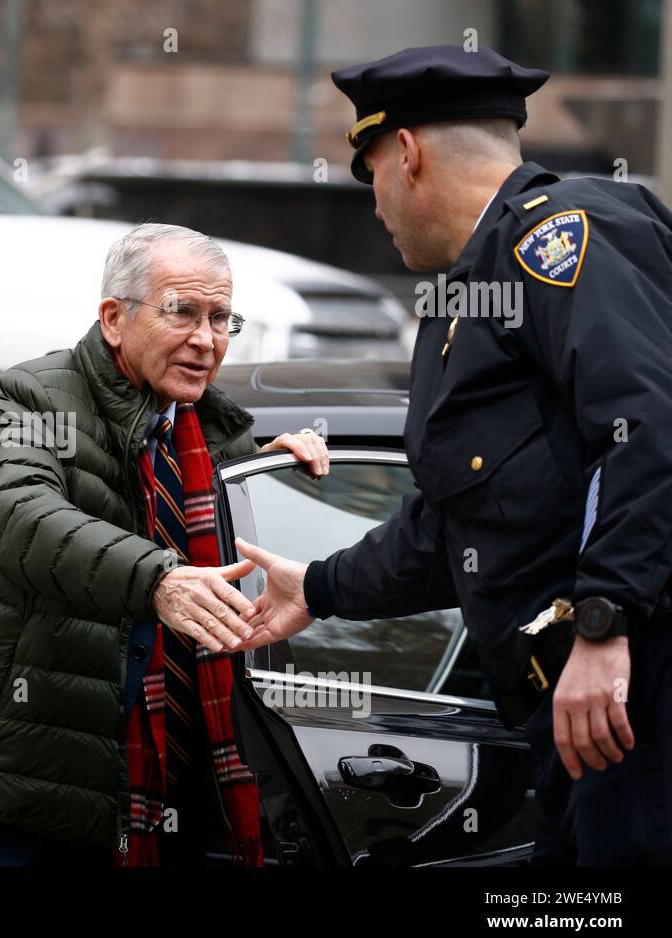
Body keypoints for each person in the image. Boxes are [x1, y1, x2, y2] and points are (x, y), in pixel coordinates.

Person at [236, 45, 672, 865]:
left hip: (632, 696)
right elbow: (454, 526)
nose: (373, 208)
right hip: (570, 716)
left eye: (367, 177)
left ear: (406, 154)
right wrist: (321, 586)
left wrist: (605, 624)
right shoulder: (468, 297)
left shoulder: (563, 238)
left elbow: (649, 425)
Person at [0, 223, 330, 866]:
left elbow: (187, 511)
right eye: (183, 313)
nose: (206, 341)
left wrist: (261, 466)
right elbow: (19, 517)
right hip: (13, 787)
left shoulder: (205, 429)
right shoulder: (32, 397)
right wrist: (157, 580)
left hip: (141, 786)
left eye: (221, 319)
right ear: (114, 319)